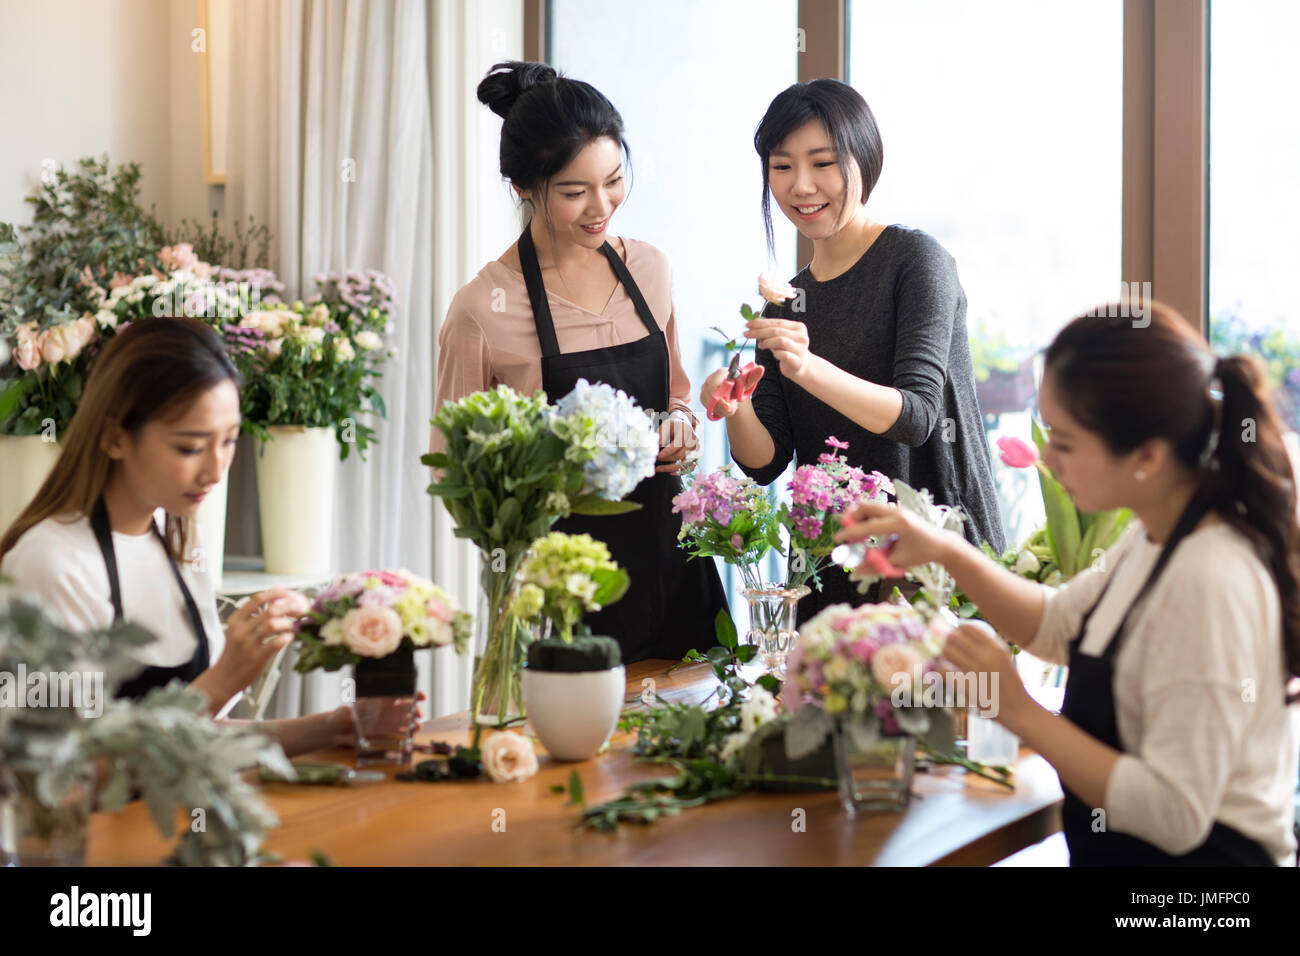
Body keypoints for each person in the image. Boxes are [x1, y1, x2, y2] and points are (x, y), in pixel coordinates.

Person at [837, 302, 1300, 865]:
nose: (1049, 462)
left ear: (1147, 456)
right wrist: (944, 550)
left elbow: (1176, 815)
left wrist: (1019, 708)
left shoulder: (1210, 579)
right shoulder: (1157, 533)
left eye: (1066, 442)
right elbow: (1057, 625)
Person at [431, 60, 728, 663]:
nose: (602, 207)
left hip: (676, 563)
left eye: (614, 181)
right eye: (574, 192)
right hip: (566, 591)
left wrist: (681, 427)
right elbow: (453, 473)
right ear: (522, 187)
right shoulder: (482, 310)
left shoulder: (650, 270)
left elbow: (676, 394)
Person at [705, 79, 1004, 624]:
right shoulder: (783, 305)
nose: (801, 185)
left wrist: (807, 367)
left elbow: (916, 416)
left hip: (932, 565)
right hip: (830, 573)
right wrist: (737, 405)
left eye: (823, 163)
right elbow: (765, 462)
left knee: (941, 707)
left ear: (864, 159)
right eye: (781, 166)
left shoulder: (916, 261)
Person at [0, 318, 356, 757]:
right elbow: (72, 769)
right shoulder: (50, 564)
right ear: (114, 437)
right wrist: (226, 675)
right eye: (190, 447)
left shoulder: (179, 541)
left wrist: (338, 728)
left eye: (228, 441)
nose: (216, 470)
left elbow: (201, 734)